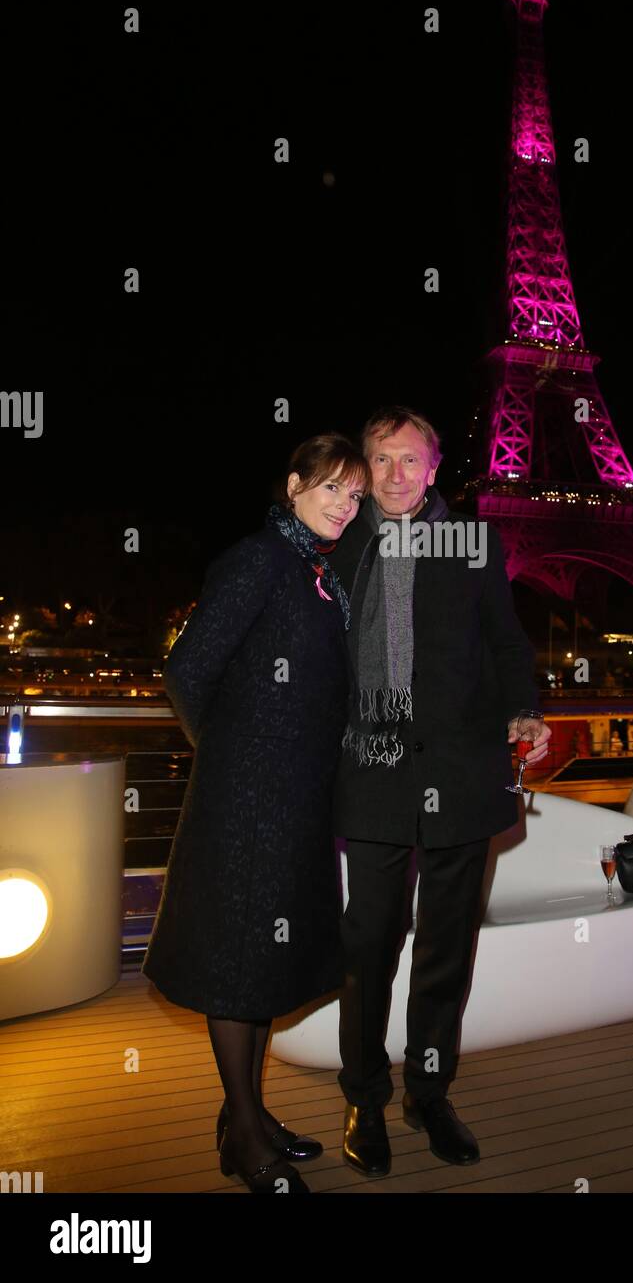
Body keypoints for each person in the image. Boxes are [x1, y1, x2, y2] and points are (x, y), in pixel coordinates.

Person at [327, 405, 551, 1177]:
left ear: (434, 467)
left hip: (460, 774)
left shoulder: (474, 542)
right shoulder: (339, 541)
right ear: (365, 467)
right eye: (380, 460)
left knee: (446, 952)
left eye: (409, 460)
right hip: (374, 773)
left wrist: (526, 711)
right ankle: (363, 1097)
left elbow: (507, 645)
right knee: (368, 948)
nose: (395, 475)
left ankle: (428, 1091)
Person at [142, 433, 369, 1193]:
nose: (346, 504)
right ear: (295, 485)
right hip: (249, 804)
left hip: (294, 803)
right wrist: (232, 757)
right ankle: (244, 1135)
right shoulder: (260, 559)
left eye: (356, 495)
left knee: (262, 962)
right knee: (238, 966)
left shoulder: (313, 570)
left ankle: (247, 1113)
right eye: (333, 487)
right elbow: (187, 669)